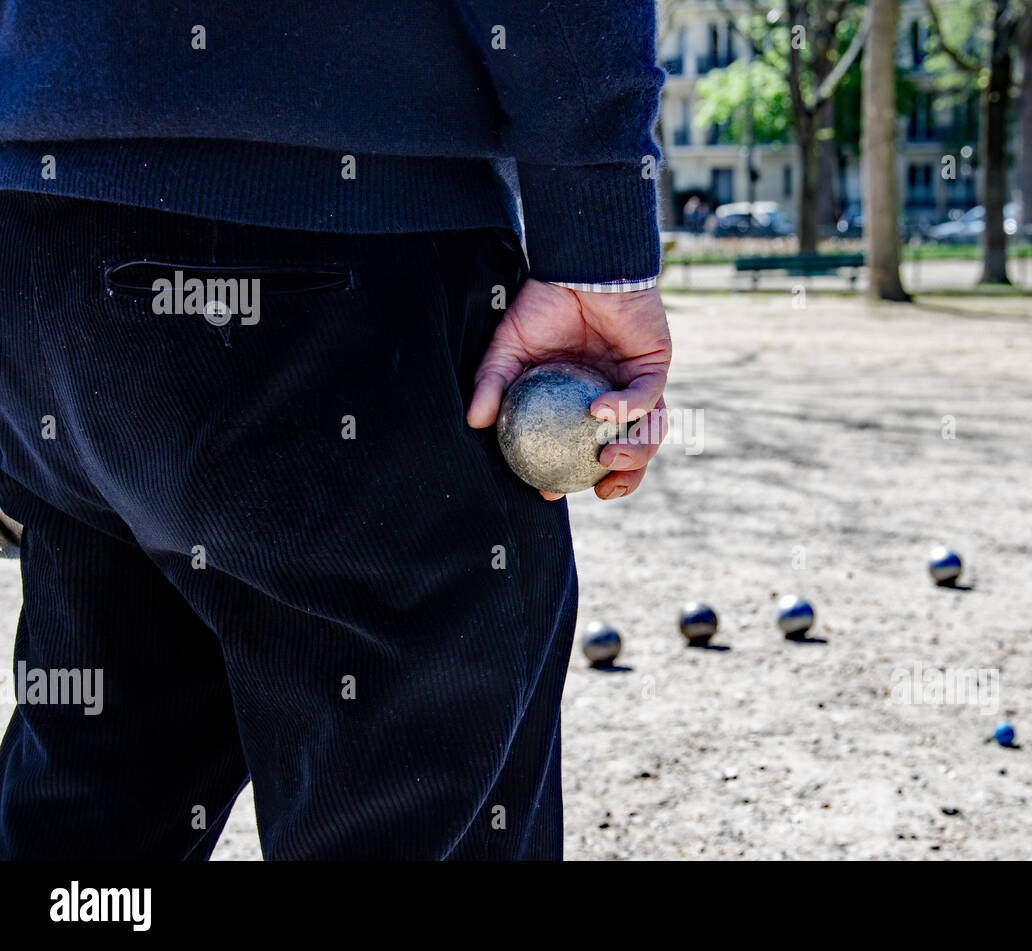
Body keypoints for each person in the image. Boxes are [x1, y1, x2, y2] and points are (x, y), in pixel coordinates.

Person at [0, 2, 670, 860]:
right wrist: (596, 230)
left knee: (94, 798)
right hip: (337, 245)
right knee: (407, 789)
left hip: (43, 235)